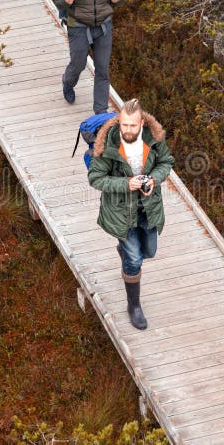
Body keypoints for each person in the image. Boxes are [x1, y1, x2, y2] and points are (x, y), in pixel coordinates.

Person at [87, 99, 174, 329]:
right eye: (124, 124)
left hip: (148, 207)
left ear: (142, 123)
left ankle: (125, 253)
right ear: (119, 122)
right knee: (134, 260)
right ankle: (134, 306)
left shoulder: (153, 139)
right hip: (120, 212)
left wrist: (153, 179)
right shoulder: (108, 144)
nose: (127, 130)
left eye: (132, 126)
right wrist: (126, 184)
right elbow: (95, 178)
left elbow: (166, 162)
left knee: (149, 251)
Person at [55, 0, 124, 115]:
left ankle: (100, 113)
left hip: (103, 27)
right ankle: (68, 82)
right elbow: (60, 4)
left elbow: (118, 1)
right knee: (78, 65)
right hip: (78, 26)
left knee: (102, 71)